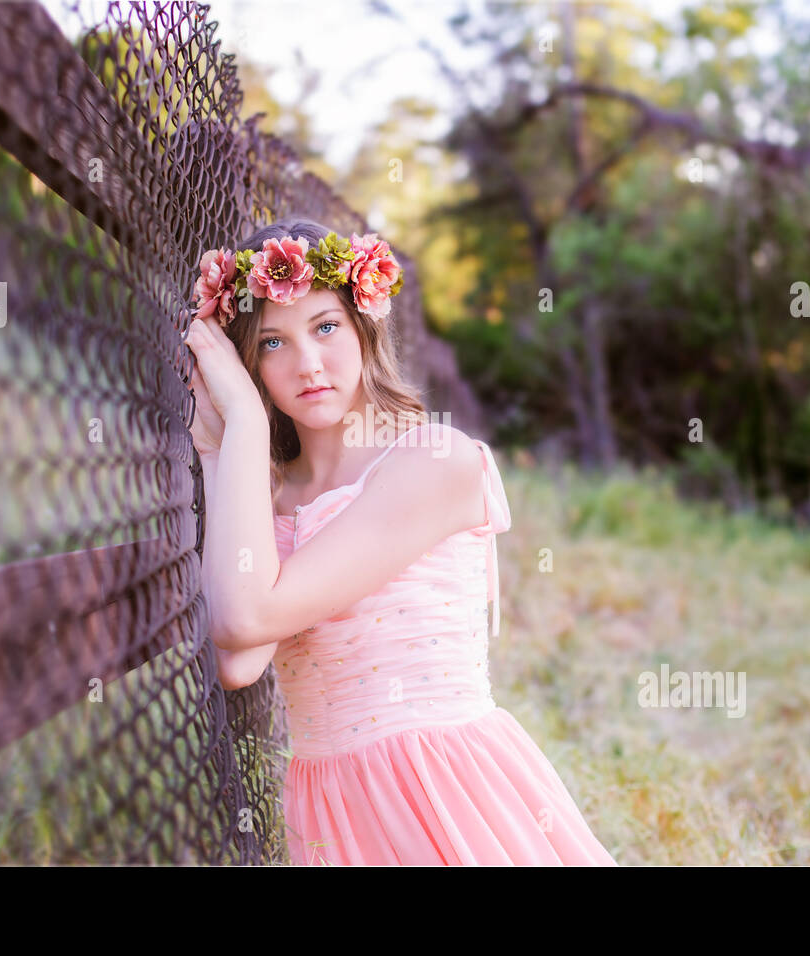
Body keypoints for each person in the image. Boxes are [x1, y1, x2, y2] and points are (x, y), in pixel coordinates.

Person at [182, 217, 617, 866]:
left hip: (440, 784)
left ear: (364, 325)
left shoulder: (433, 461)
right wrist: (218, 451)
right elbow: (237, 660)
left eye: (326, 327)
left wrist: (244, 417)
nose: (308, 364)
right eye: (273, 343)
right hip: (330, 804)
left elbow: (244, 614)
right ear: (247, 365)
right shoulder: (273, 498)